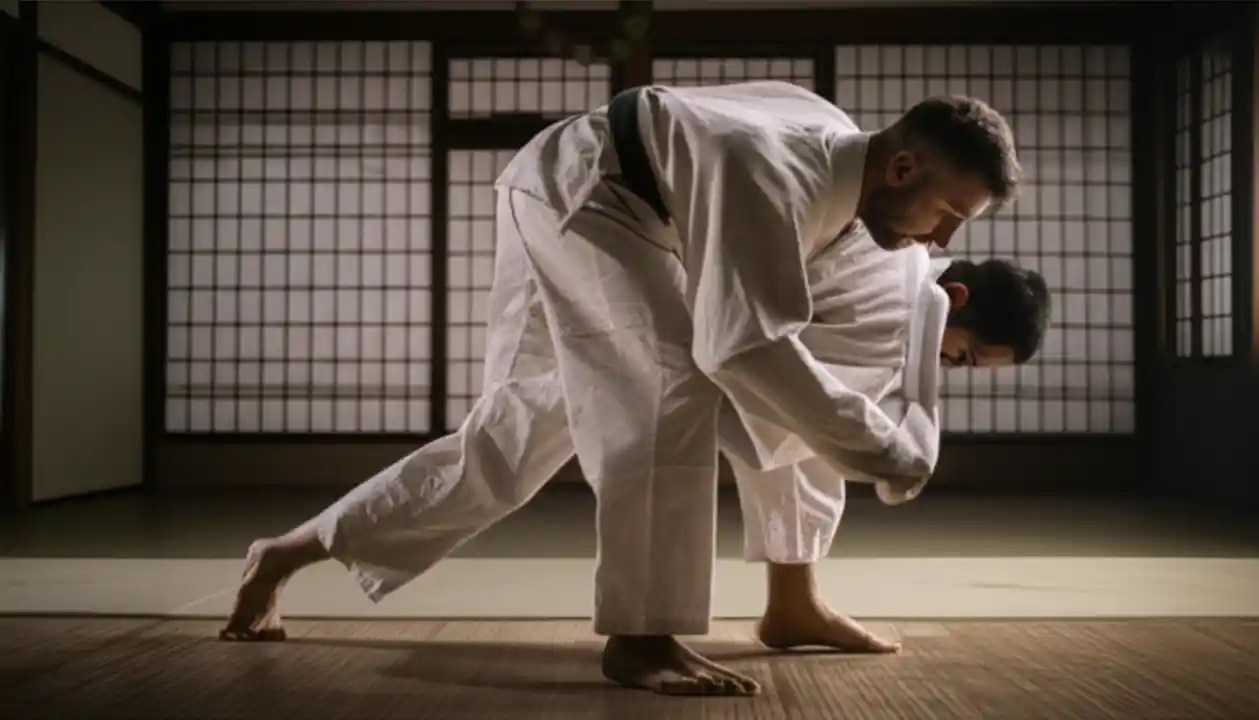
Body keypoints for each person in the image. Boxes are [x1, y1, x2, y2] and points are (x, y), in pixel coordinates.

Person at [221, 82, 1021, 696]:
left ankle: (285, 553)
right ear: (903, 167)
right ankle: (642, 636)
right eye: (947, 212)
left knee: (519, 436)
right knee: (667, 394)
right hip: (590, 192)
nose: (946, 238)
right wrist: (882, 449)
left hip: (639, 218)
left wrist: (857, 434)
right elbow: (743, 348)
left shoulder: (854, 182)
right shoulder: (772, 171)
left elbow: (794, 376)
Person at [726, 229, 1050, 655]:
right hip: (730, 330)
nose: (953, 364)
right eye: (964, 355)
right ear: (956, 296)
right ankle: (791, 604)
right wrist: (892, 455)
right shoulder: (892, 286)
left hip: (759, 346)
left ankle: (793, 603)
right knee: (811, 424)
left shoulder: (918, 310)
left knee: (815, 441)